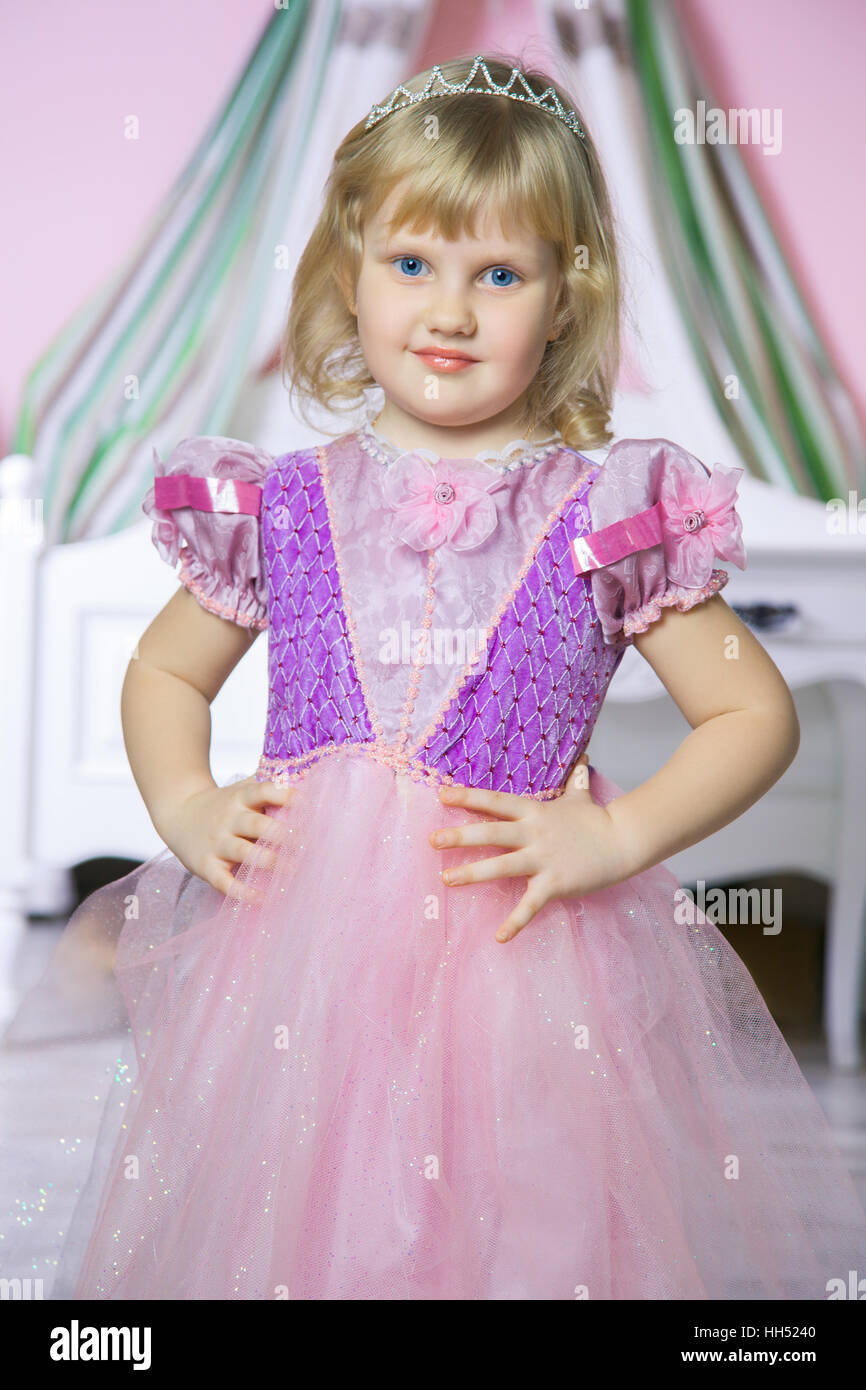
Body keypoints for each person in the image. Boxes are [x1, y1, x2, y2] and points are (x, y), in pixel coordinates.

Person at [5, 53, 865, 1300]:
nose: (449, 311)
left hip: (523, 954)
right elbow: (161, 676)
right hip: (305, 957)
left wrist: (610, 841)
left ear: (563, 302)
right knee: (305, 1208)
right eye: (411, 265)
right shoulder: (280, 507)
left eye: (498, 275)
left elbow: (751, 712)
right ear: (346, 271)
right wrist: (187, 806)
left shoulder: (607, 511)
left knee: (522, 1220)